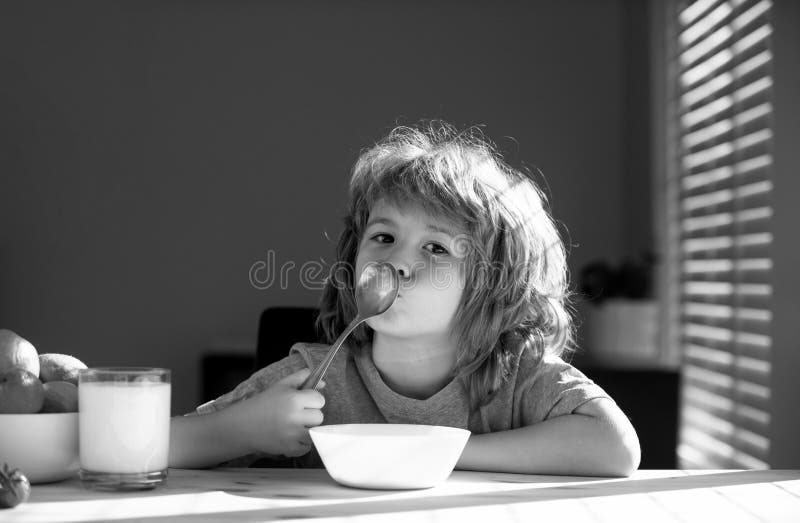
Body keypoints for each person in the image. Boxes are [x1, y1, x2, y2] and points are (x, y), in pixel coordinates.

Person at [169, 121, 641, 476]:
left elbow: (616, 447)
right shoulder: (314, 376)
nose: (396, 261)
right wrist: (239, 429)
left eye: (435, 247)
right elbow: (145, 448)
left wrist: (432, 452)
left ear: (492, 284)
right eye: (383, 237)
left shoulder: (518, 376)